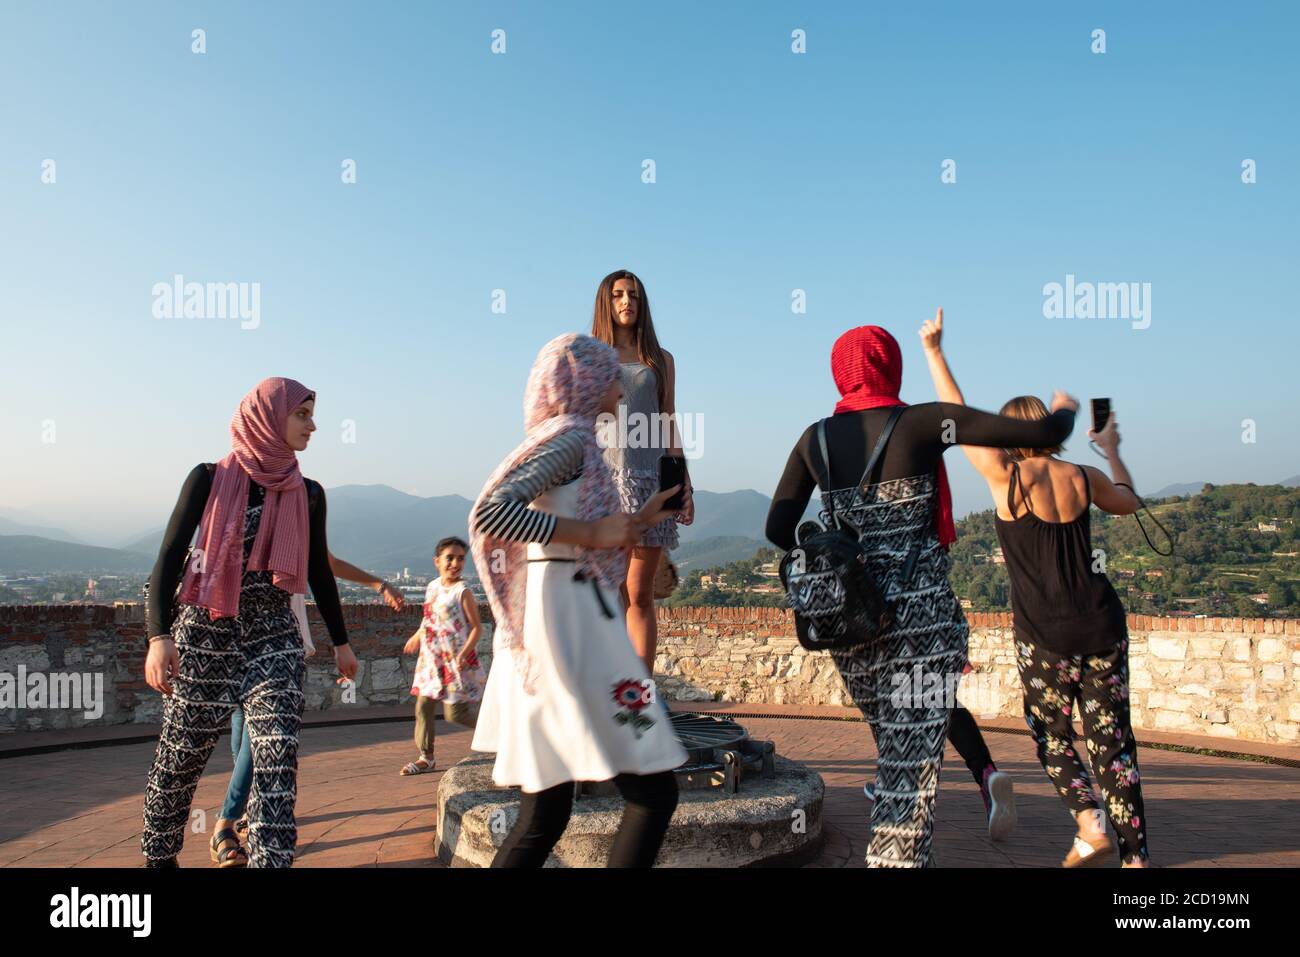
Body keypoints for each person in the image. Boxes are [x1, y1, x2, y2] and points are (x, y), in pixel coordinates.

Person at [766, 324, 1076, 868]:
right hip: (921, 620)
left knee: (895, 756)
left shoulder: (814, 439)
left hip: (849, 621)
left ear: (840, 370)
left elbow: (777, 527)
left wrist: (833, 536)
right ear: (891, 365)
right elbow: (1020, 431)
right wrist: (1064, 415)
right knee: (908, 773)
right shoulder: (923, 422)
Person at [919, 308, 1150, 868]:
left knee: (1051, 734)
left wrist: (934, 353)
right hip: (1101, 622)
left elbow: (959, 416)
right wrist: (1110, 446)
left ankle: (1088, 821)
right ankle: (1136, 859)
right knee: (1114, 745)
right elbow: (1130, 501)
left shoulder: (1008, 478)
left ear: (1011, 433)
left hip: (1043, 633)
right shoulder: (1083, 477)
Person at [470, 333, 688, 868]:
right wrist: (591, 536)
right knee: (651, 795)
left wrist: (636, 522)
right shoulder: (568, 441)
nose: (619, 385)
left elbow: (581, 525)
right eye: (611, 374)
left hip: (572, 618)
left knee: (546, 814)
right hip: (572, 625)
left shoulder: (575, 441)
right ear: (586, 381)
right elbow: (491, 514)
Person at [141, 377, 358, 868]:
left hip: (273, 634)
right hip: (206, 629)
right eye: (302, 414)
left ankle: (270, 860)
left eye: (312, 414)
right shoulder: (209, 477)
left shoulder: (309, 492)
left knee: (277, 753)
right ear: (268, 416)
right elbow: (169, 558)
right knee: (182, 756)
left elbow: (318, 571)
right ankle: (159, 858)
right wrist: (159, 636)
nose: (313, 425)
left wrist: (341, 643)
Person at [213, 555, 404, 866]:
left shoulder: (294, 514)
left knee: (253, 737)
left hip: (274, 646)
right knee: (245, 735)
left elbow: (323, 563)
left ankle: (229, 822)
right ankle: (239, 815)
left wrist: (376, 585)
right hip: (234, 638)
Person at [590, 270, 694, 672]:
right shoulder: (592, 355)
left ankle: (642, 693)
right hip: (602, 484)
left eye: (632, 295)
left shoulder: (660, 360)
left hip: (650, 483)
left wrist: (683, 483)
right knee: (605, 590)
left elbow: (668, 420)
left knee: (639, 594)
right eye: (617, 295)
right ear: (606, 301)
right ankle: (608, 684)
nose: (625, 302)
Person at [399, 536, 485, 775]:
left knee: (455, 713)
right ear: (437, 561)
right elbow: (429, 619)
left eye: (460, 559)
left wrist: (463, 654)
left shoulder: (463, 592)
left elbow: (477, 628)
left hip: (455, 660)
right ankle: (426, 757)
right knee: (423, 706)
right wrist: (417, 636)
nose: (455, 563)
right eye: (450, 558)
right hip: (432, 658)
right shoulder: (432, 587)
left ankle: (495, 734)